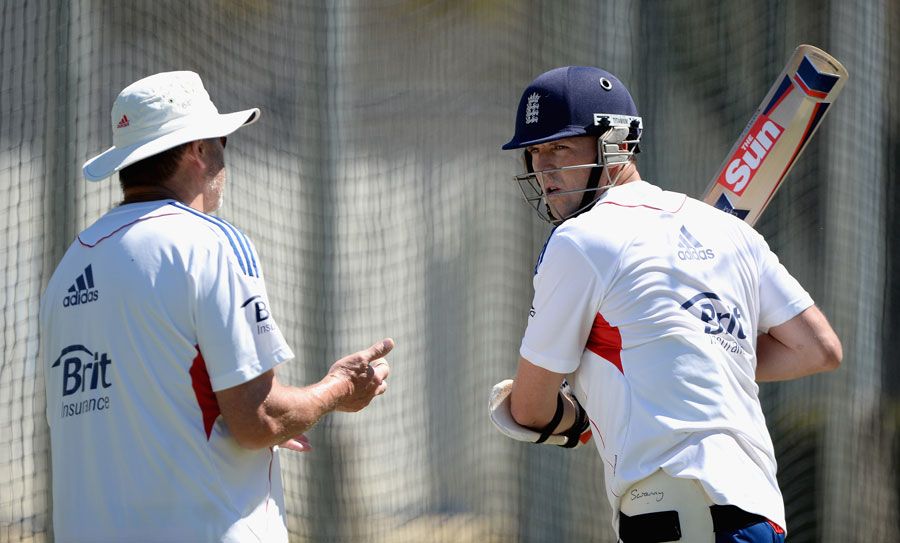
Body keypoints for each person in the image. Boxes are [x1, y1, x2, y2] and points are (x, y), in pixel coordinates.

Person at [489, 66, 842, 542]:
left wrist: (572, 417)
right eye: (534, 152)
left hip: (676, 517)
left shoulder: (578, 240)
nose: (543, 169)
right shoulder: (732, 232)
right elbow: (816, 348)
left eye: (560, 148)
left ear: (617, 143)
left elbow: (530, 408)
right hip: (759, 515)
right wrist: (689, 349)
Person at [39, 71, 394, 542]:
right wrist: (340, 388)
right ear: (199, 149)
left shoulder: (68, 268)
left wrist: (246, 413)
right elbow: (260, 418)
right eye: (222, 140)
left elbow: (144, 404)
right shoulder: (210, 241)